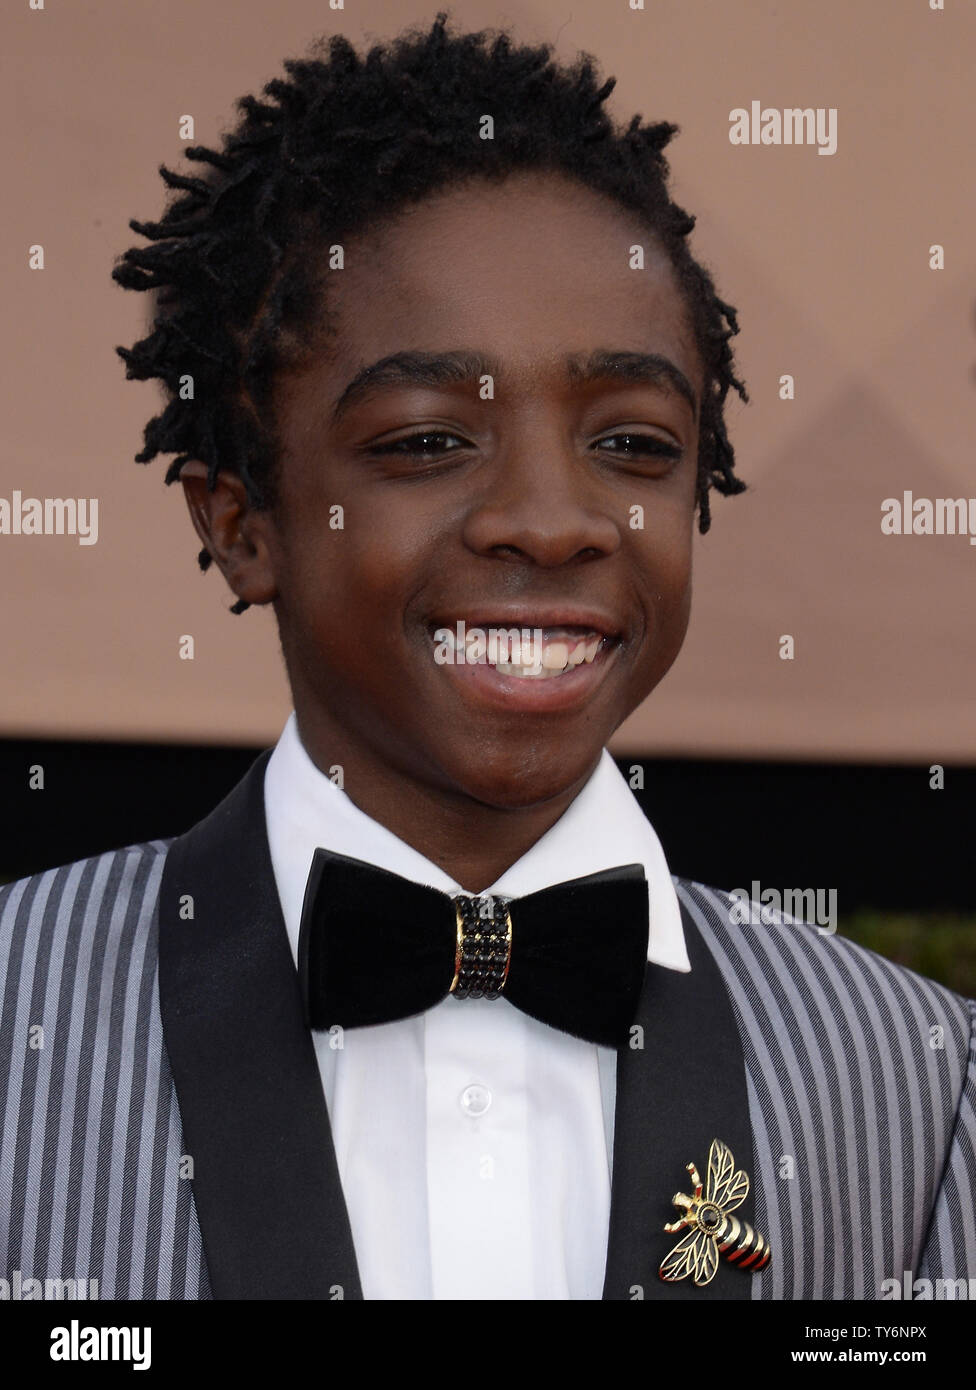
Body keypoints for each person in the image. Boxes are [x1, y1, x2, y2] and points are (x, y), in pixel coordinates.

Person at [1, 12, 973, 1303]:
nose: (553, 519)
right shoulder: (23, 1013)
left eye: (632, 444)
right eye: (425, 442)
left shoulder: (912, 1076)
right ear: (240, 523)